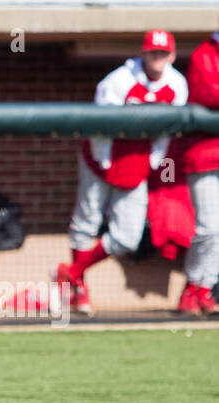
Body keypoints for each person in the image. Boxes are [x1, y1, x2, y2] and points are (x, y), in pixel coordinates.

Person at [53, 31, 187, 318]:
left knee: (128, 237)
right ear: (143, 52)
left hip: (136, 161)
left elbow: (168, 131)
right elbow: (101, 127)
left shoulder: (177, 85)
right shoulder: (118, 81)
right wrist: (103, 163)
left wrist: (154, 161)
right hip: (102, 156)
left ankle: (71, 272)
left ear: (172, 56)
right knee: (86, 221)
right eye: (153, 52)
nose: (158, 58)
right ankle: (78, 288)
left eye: (163, 53)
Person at [179, 27, 218, 315]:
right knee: (209, 227)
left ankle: (205, 289)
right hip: (204, 155)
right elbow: (209, 93)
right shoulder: (204, 55)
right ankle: (192, 286)